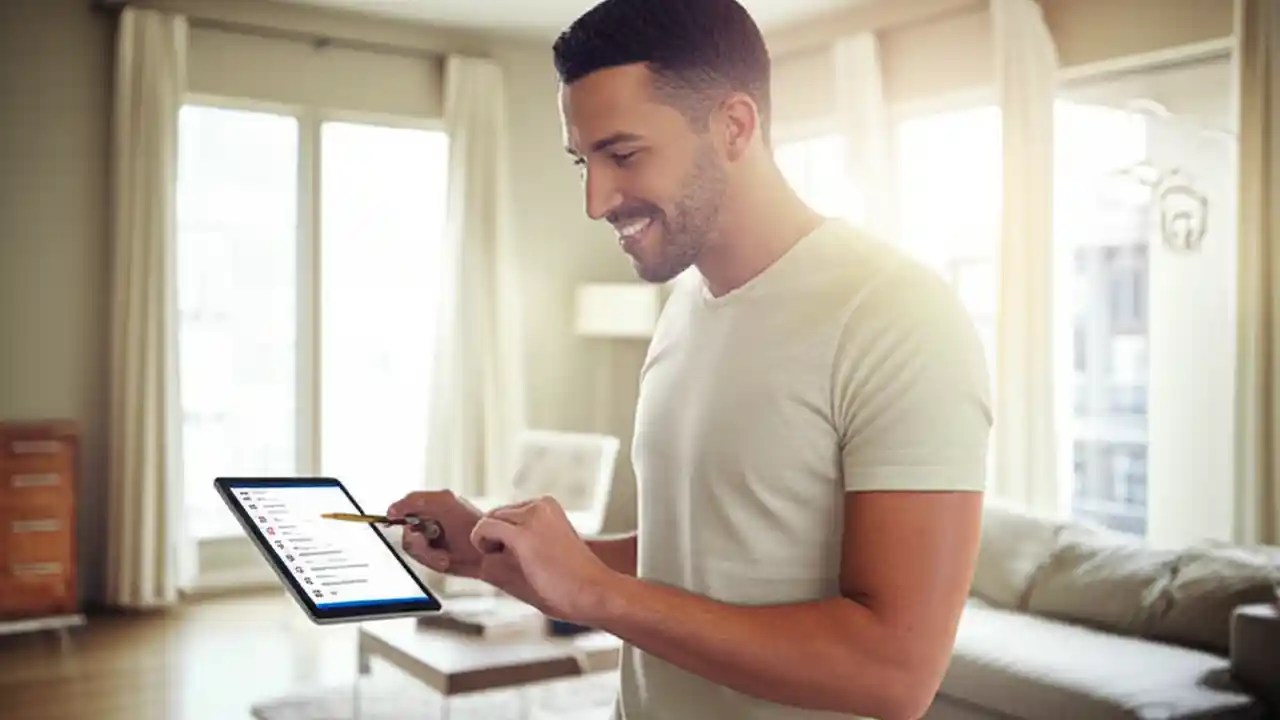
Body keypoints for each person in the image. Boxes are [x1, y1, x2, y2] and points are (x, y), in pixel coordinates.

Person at [387, 0, 991, 718]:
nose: (595, 199)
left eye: (624, 154)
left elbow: (893, 672)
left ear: (733, 126)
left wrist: (597, 595)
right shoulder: (685, 308)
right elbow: (691, 555)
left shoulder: (897, 314)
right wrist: (491, 552)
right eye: (584, 161)